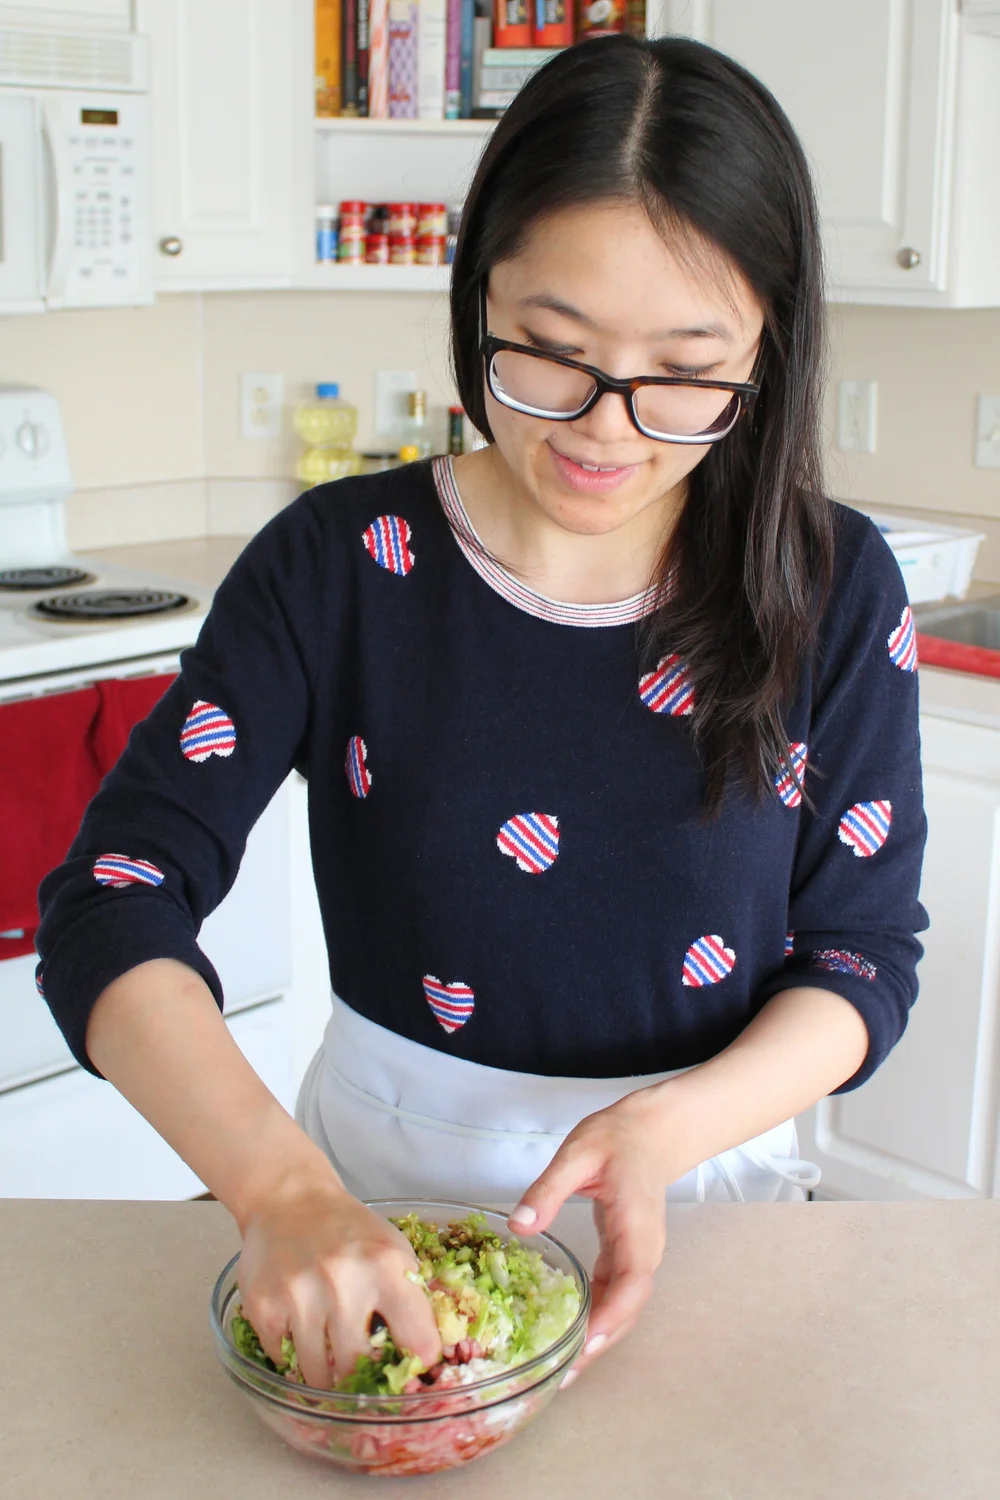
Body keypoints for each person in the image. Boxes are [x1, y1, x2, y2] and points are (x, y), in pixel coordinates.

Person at [37, 35, 927, 1391]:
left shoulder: (832, 582)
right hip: (378, 1206)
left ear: (768, 345)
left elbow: (862, 960)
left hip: (710, 1211)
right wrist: (279, 1190)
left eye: (688, 372)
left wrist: (667, 1125)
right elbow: (114, 897)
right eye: (550, 353)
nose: (606, 429)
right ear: (475, 303)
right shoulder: (337, 566)